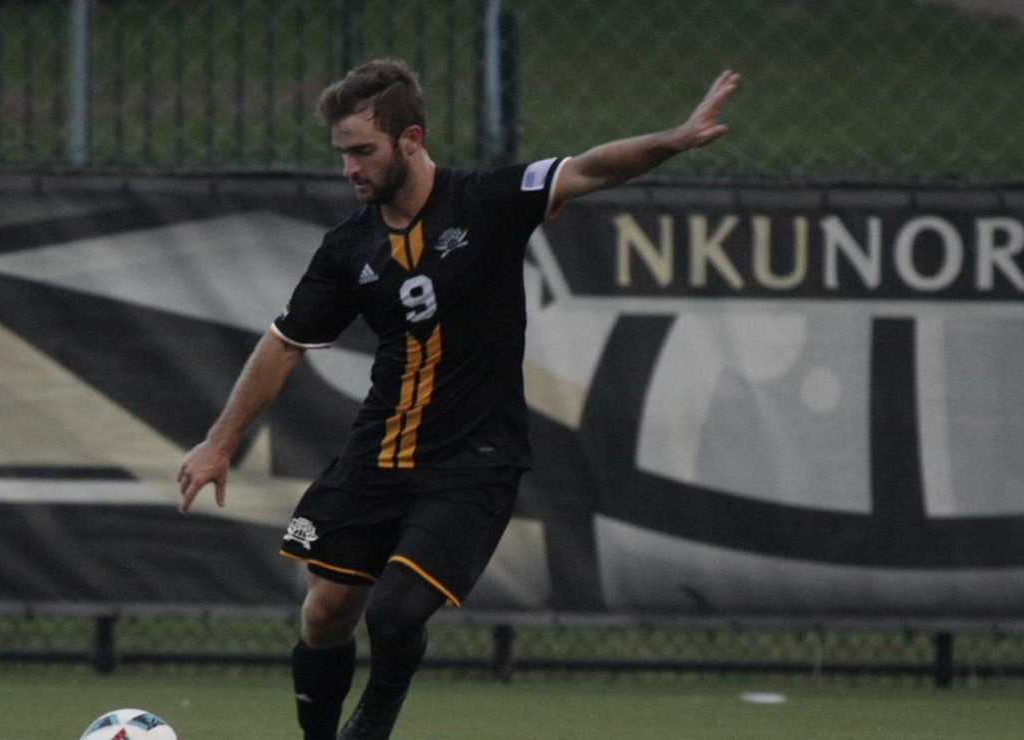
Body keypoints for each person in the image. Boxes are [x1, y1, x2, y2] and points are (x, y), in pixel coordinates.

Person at [177, 59, 741, 740]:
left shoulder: (487, 202)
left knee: (392, 615)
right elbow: (284, 342)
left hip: (472, 463)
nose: (350, 170)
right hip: (377, 454)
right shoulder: (348, 246)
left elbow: (591, 169)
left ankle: (376, 716)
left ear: (410, 137)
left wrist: (677, 138)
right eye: (342, 155)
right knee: (325, 613)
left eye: (363, 151)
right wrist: (219, 441)